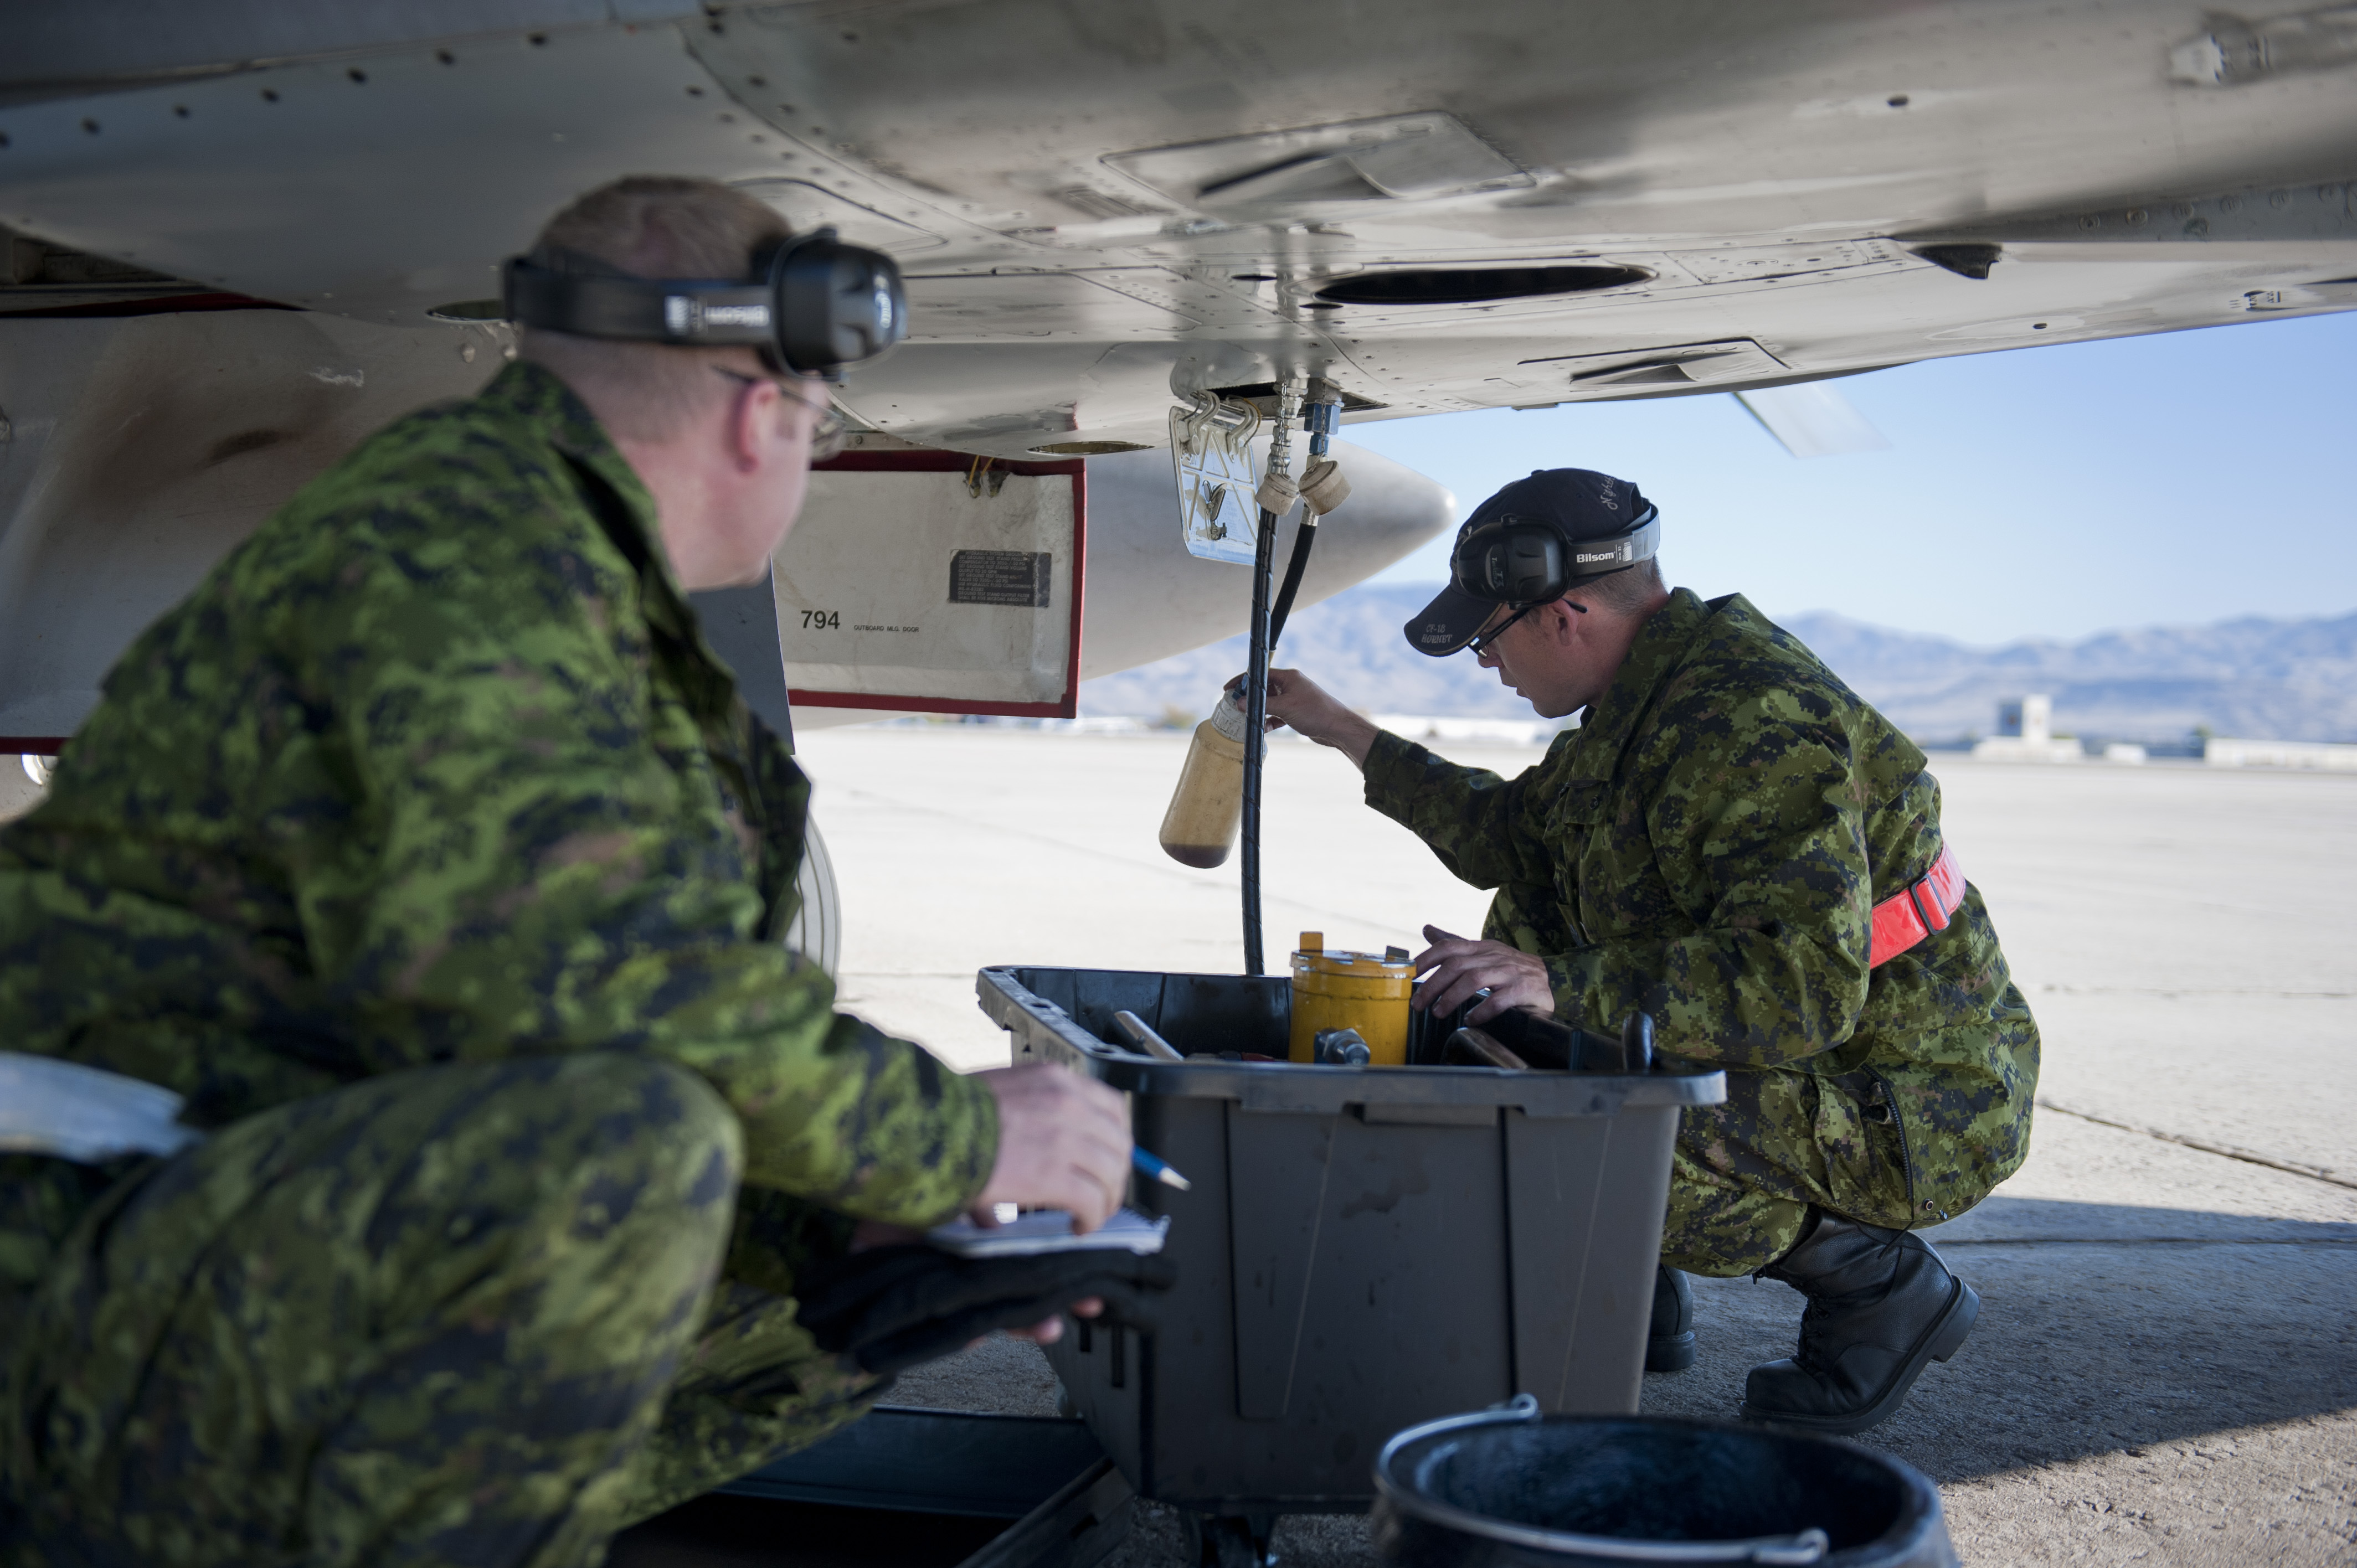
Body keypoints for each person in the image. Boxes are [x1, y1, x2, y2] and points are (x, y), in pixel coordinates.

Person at [0, 177, 1139, 1564]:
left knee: (825, 1274)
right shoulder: (456, 550)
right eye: (819, 430)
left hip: (192, 1212)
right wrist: (955, 1140)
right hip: (70, 1251)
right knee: (635, 1155)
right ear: (756, 411)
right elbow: (583, 989)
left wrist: (858, 1230)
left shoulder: (552, 575)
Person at [1261, 467, 2039, 1435]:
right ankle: (1644, 1290)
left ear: (1566, 612)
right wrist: (1340, 729)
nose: (1484, 662)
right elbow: (1511, 836)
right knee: (1536, 914)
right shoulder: (1650, 701)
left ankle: (1879, 1286)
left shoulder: (1748, 720)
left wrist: (1557, 985)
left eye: (1489, 635)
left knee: (1569, 1138)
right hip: (1824, 1060)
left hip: (1903, 1099)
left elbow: (1799, 990)